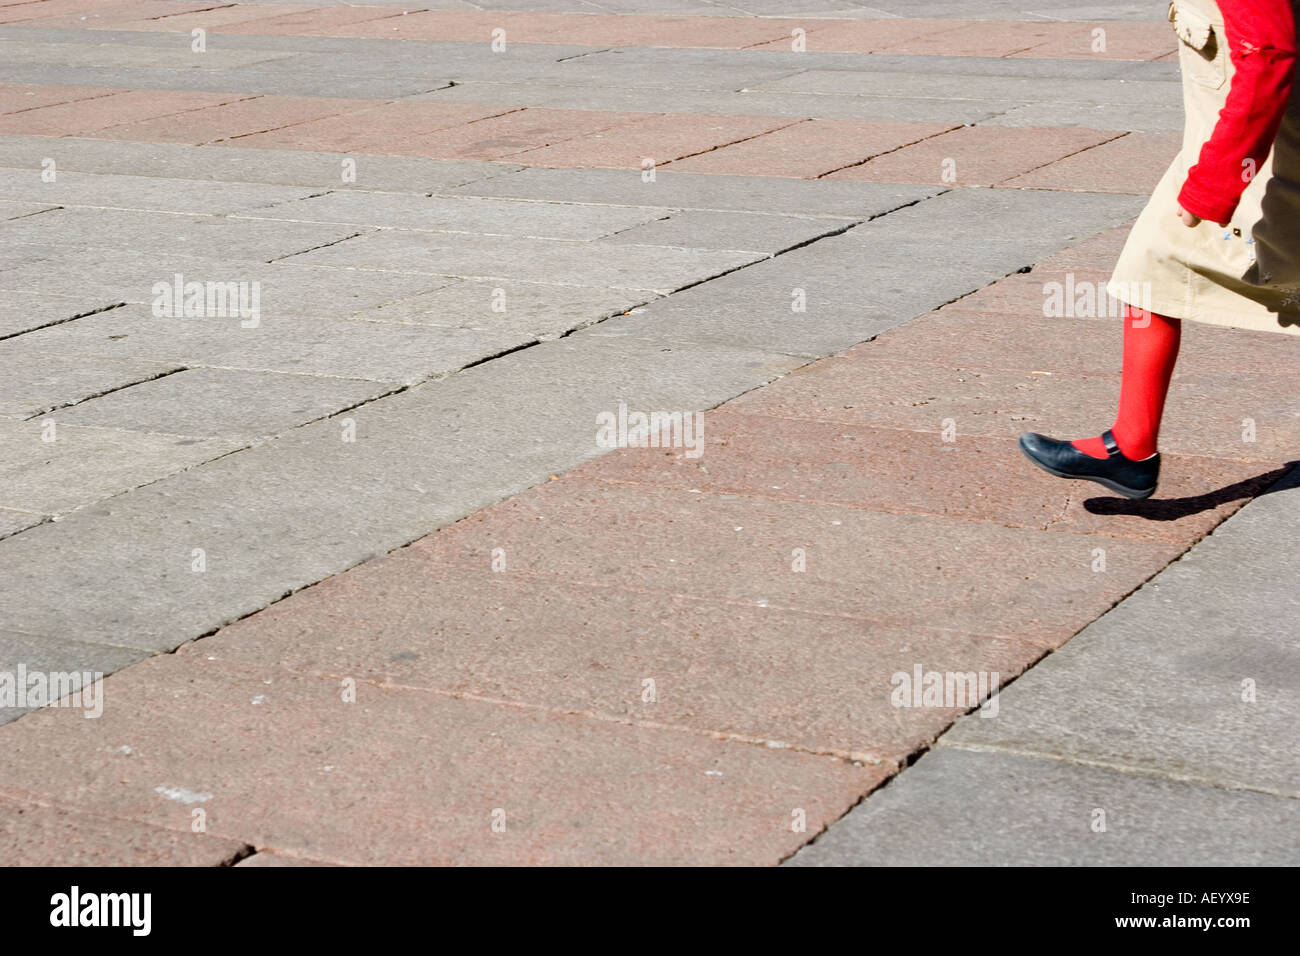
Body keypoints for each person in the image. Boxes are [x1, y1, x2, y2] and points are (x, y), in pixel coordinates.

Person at [1019, 0, 1300, 499]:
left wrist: (1214, 184)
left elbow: (1269, 50)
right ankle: (1130, 445)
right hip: (1239, 137)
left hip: (1254, 142)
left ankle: (1130, 448)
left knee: (1156, 262)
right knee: (1151, 265)